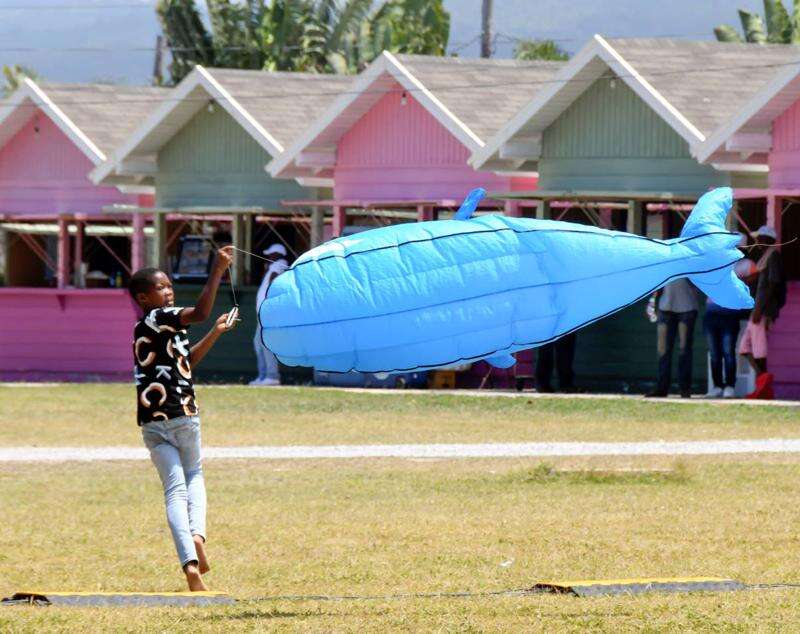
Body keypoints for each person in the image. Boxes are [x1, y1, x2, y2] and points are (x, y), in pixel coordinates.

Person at [128, 246, 238, 591]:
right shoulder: (161, 316)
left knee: (174, 491)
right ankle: (197, 536)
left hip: (151, 422)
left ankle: (190, 564)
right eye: (161, 288)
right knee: (193, 477)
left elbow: (186, 362)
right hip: (181, 414)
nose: (169, 291)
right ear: (143, 298)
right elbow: (202, 311)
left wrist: (216, 332)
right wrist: (218, 270)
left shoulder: (150, 326)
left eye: (169, 285)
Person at [738, 225, 785, 399]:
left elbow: (772, 284)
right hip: (756, 308)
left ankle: (762, 390)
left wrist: (760, 310)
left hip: (763, 310)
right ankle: (763, 382)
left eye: (761, 239)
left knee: (759, 349)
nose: (757, 242)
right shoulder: (764, 258)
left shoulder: (773, 256)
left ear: (768, 241)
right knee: (744, 348)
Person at [703, 252, 755, 399]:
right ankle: (717, 386)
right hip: (711, 313)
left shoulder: (744, 264)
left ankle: (730, 386)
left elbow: (755, 276)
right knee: (714, 353)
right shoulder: (715, 261)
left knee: (728, 352)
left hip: (730, 314)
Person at [646, 278, 700, 398]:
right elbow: (657, 282)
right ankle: (662, 388)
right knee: (663, 350)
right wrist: (652, 302)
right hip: (665, 308)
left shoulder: (691, 260)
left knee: (684, 350)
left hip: (688, 307)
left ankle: (685, 389)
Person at [250, 243, 289, 386]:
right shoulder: (274, 266)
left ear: (277, 255)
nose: (268, 257)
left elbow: (274, 280)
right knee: (258, 343)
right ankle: (263, 376)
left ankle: (272, 376)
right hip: (263, 313)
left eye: (271, 254)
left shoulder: (280, 265)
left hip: (269, 313)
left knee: (266, 343)